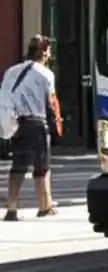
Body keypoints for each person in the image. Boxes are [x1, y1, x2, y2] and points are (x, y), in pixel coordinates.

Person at [2, 36, 58, 221]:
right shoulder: (46, 74)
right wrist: (55, 125)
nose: (50, 55)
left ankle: (12, 208)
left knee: (18, 165)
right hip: (37, 123)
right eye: (49, 51)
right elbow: (50, 103)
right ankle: (44, 206)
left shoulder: (12, 71)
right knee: (42, 166)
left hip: (17, 123)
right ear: (43, 52)